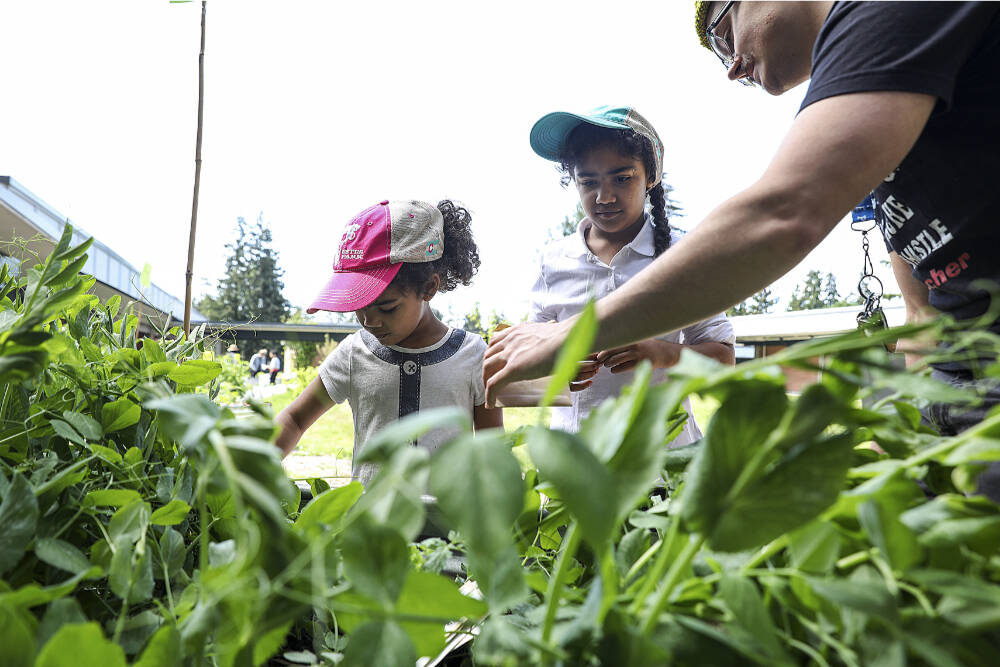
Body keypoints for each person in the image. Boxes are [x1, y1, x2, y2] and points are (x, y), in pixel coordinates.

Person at [483, 2, 1000, 496]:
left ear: (650, 179)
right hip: (965, 381)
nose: (731, 67)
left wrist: (583, 337)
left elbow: (783, 214)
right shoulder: (872, 93)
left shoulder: (890, 14)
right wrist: (913, 427)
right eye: (587, 180)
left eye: (725, 34)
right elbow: (918, 313)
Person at [527, 105, 735, 440]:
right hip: (577, 463)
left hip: (663, 464)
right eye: (588, 181)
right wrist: (557, 369)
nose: (604, 196)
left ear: (650, 177)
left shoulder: (683, 257)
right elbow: (530, 358)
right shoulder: (554, 261)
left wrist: (663, 353)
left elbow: (723, 358)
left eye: (622, 178)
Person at [275, 199, 503, 485]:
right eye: (359, 306)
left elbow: (492, 451)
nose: (370, 321)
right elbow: (295, 419)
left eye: (387, 307)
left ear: (429, 287)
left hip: (452, 528)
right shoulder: (353, 355)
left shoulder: (473, 356)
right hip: (370, 525)